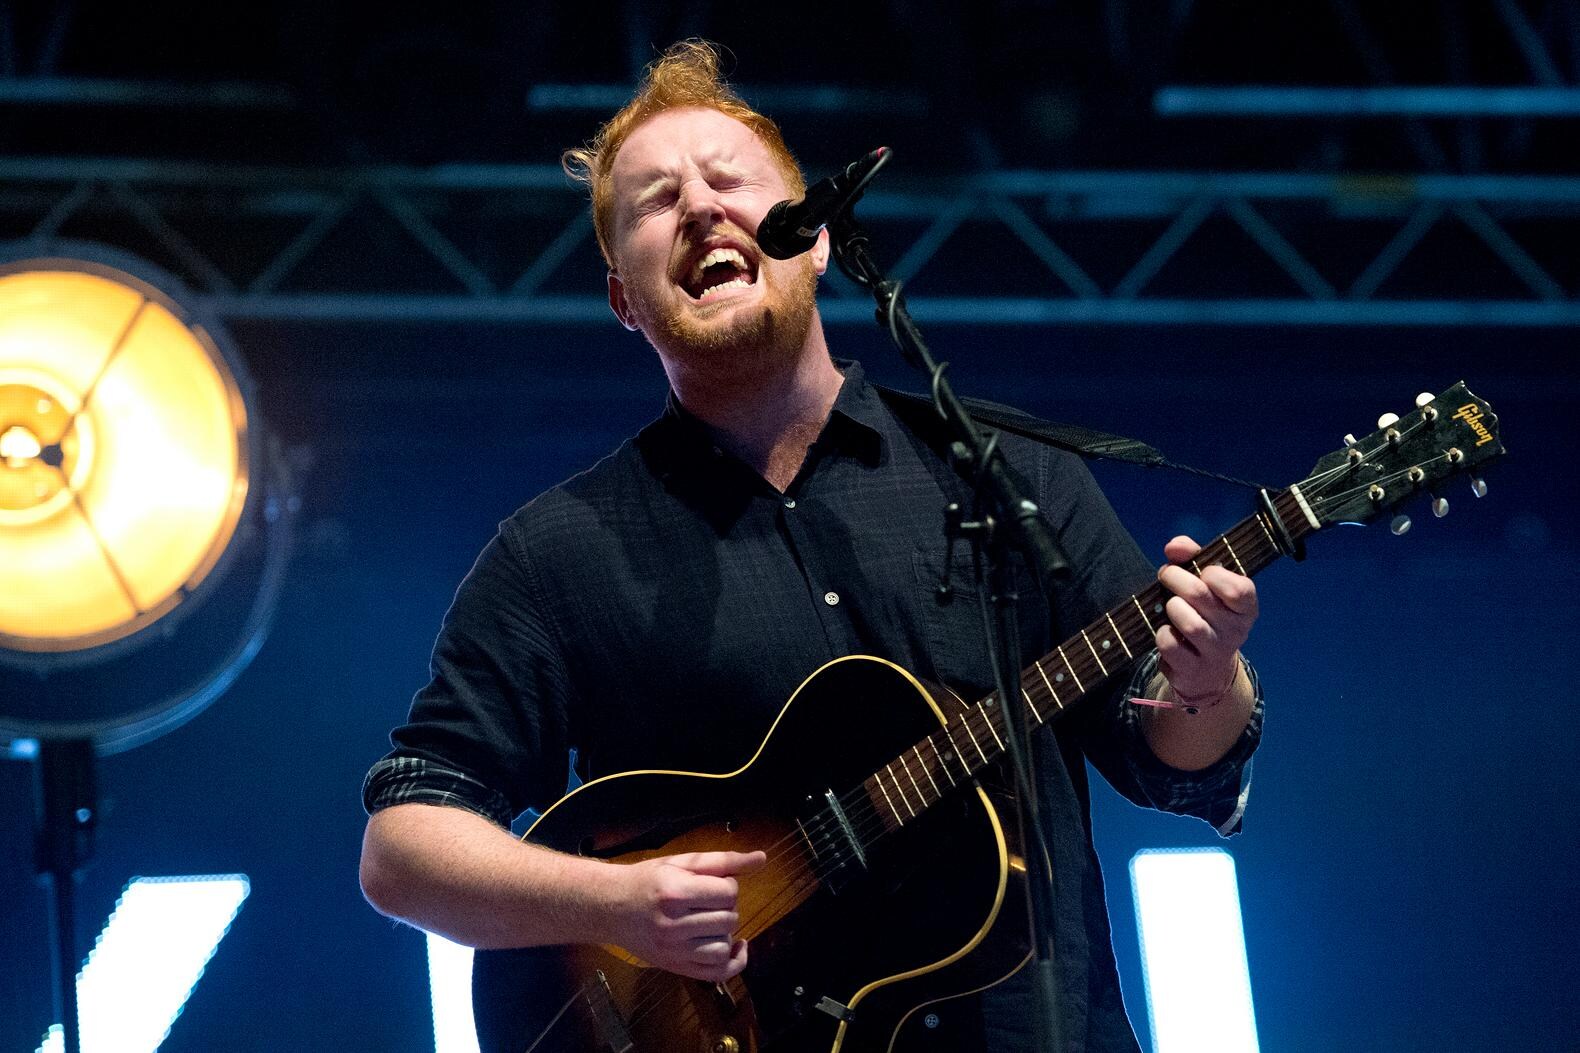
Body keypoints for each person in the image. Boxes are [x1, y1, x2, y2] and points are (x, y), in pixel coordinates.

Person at [359, 40, 1263, 1052]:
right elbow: (402, 847)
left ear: (818, 240)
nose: (699, 207)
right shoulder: (558, 552)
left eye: (727, 180)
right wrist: (610, 904)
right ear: (623, 299)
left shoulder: (1010, 478)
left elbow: (1171, 761)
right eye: (656, 202)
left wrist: (1204, 679)